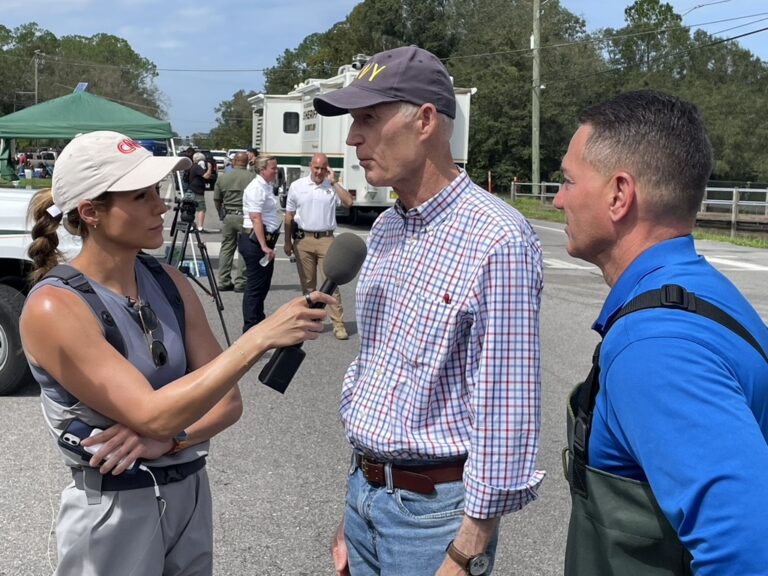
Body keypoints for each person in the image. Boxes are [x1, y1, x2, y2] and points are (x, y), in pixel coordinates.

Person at [20, 131, 334, 576]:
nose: (161, 206)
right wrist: (258, 337)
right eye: (141, 196)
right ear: (90, 212)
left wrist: (170, 440)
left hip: (188, 491)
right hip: (115, 504)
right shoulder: (55, 306)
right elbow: (153, 412)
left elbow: (227, 403)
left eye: (158, 192)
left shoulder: (169, 280)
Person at [314, 46, 544, 576]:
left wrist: (468, 548)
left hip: (436, 517)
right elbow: (378, 368)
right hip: (367, 495)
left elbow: (507, 407)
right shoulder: (389, 228)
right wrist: (354, 510)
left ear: (424, 121)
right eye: (353, 122)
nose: (352, 139)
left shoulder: (499, 238)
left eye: (368, 119)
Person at [556, 90, 768, 575]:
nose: (558, 198)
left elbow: (751, 551)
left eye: (568, 181)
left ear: (619, 195)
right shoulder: (701, 288)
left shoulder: (655, 345)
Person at [283, 153, 354, 340]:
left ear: (328, 169)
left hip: (326, 239)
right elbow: (289, 216)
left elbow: (349, 202)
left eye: (323, 168)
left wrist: (334, 182)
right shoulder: (297, 186)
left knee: (331, 283)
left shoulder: (330, 187)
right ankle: (312, 321)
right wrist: (287, 241)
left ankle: (338, 324)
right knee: (308, 285)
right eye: (316, 168)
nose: (319, 172)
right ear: (310, 166)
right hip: (303, 239)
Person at [238, 155, 281, 332]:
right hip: (255, 242)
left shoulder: (267, 187)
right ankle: (250, 329)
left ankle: (258, 322)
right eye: (273, 168)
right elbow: (256, 217)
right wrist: (264, 246)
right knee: (255, 288)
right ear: (262, 170)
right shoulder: (256, 188)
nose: (276, 171)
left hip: (265, 241)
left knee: (263, 286)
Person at [213, 151, 254, 293]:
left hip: (229, 215)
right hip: (246, 216)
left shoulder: (224, 177)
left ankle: (223, 280)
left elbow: (217, 199)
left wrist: (220, 213)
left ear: (235, 161)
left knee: (226, 248)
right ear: (247, 162)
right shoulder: (253, 177)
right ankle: (241, 282)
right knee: (244, 248)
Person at [189, 151, 212, 231]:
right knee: (201, 209)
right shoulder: (197, 167)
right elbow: (206, 176)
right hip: (197, 190)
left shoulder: (192, 166)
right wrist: (209, 168)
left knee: (191, 208)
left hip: (191, 189)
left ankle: (191, 226)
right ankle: (200, 227)